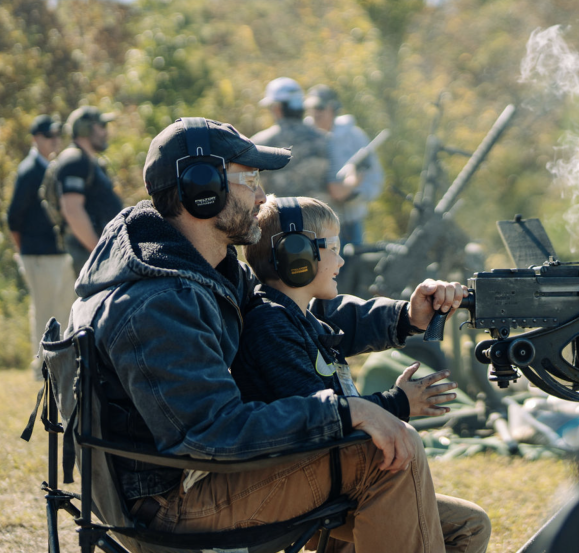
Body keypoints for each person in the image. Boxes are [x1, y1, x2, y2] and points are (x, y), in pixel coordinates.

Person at [63, 117, 474, 553]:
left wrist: (404, 317)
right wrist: (346, 412)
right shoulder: (160, 300)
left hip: (199, 479)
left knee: (463, 528)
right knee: (382, 450)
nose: (261, 197)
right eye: (250, 180)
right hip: (169, 505)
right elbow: (214, 432)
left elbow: (296, 312)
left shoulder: (201, 270)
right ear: (203, 188)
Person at [232, 195, 491, 553]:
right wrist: (397, 403)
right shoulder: (271, 324)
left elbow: (356, 318)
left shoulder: (302, 315)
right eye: (334, 248)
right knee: (407, 442)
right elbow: (316, 415)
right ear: (296, 254)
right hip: (303, 479)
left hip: (337, 474)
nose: (341, 260)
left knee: (471, 525)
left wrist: (411, 317)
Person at [6, 114, 75, 372]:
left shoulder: (54, 167)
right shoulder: (28, 171)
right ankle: (42, 367)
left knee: (64, 309)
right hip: (37, 255)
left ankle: (60, 365)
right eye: (49, 136)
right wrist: (25, 252)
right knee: (45, 310)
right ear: (36, 139)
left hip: (58, 253)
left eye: (57, 135)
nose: (55, 140)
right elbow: (13, 218)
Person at [45, 106, 124, 276]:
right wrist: (99, 252)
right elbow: (72, 210)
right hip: (85, 253)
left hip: (91, 252)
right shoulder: (75, 161)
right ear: (85, 129)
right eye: (101, 126)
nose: (106, 132)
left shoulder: (89, 161)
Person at [305, 85, 385, 248]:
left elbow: (374, 175)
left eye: (320, 107)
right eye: (311, 107)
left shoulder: (354, 135)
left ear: (333, 108)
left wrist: (356, 194)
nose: (316, 112)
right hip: (316, 224)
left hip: (351, 221)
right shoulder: (303, 136)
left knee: (352, 269)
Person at [251, 77, 330, 203]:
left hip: (279, 218)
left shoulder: (259, 144)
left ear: (276, 108)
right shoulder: (324, 139)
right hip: (319, 219)